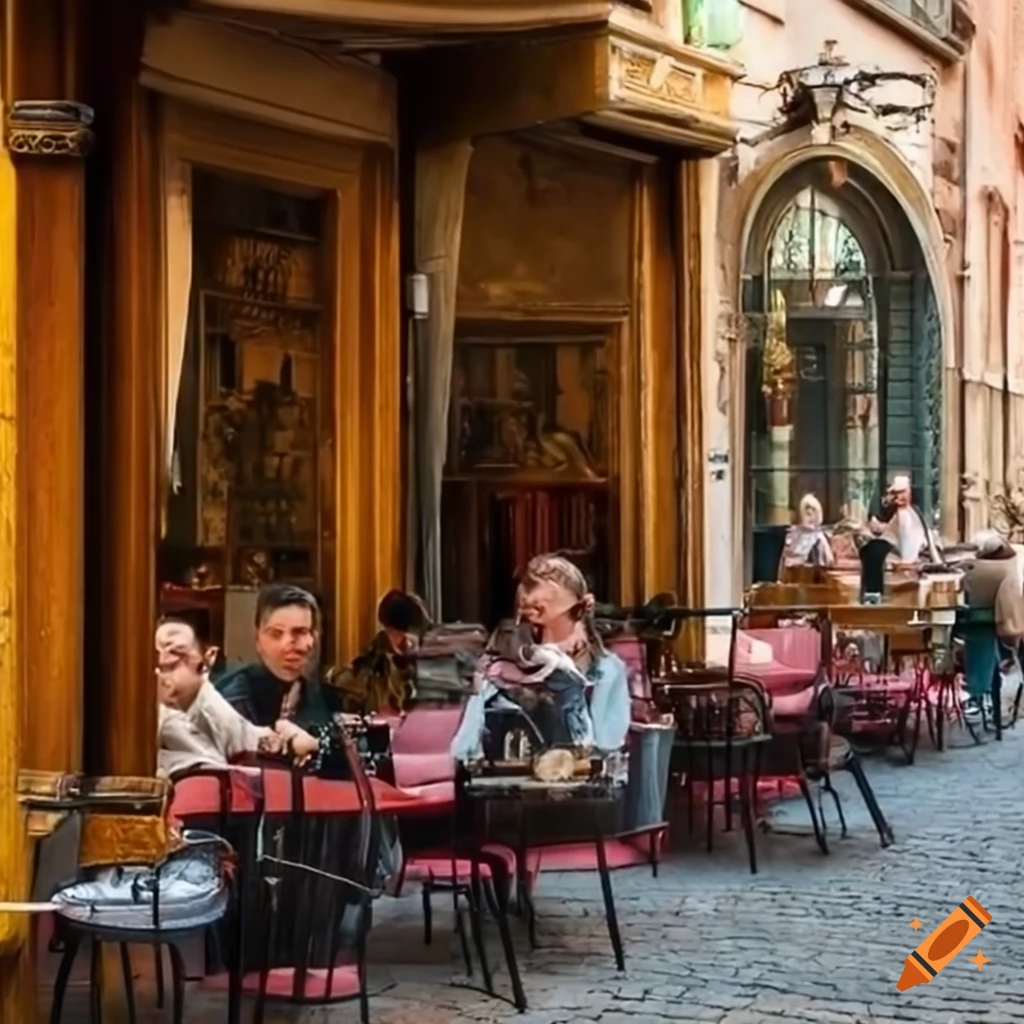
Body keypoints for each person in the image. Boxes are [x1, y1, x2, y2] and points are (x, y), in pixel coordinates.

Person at [451, 553, 631, 763]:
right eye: (531, 624)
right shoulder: (501, 673)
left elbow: (604, 749)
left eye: (547, 623)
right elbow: (464, 749)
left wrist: (570, 691)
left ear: (579, 612)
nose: (543, 641)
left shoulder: (606, 671)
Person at [156, 619, 283, 776]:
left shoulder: (214, 703)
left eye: (177, 655)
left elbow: (247, 738)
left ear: (208, 658)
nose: (162, 663)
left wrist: (285, 741)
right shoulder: (157, 715)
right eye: (157, 656)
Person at [961, 529, 1024, 719]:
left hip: (980, 619)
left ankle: (980, 693)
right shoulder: (1007, 569)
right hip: (996, 621)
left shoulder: (974, 568)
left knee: (982, 638)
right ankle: (983, 692)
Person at [869, 474, 941, 564]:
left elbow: (908, 552)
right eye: (897, 493)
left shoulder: (906, 514)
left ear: (909, 493)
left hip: (904, 562)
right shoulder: (902, 512)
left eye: (902, 492)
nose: (899, 497)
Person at [780, 493, 835, 570]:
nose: (811, 515)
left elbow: (829, 560)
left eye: (814, 511)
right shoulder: (791, 534)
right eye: (807, 513)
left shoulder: (819, 537)